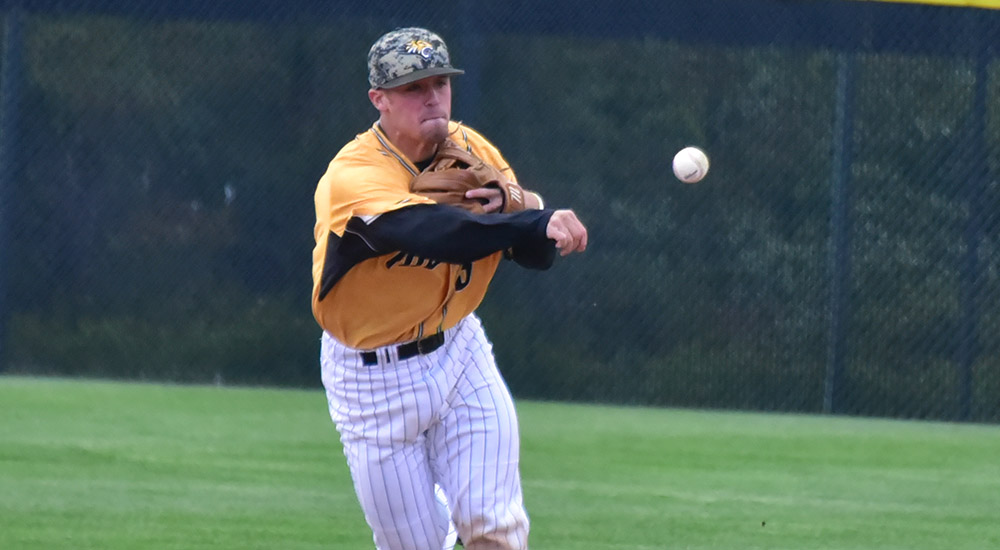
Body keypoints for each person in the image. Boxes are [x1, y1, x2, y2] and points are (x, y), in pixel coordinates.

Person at [310, 27, 588, 550]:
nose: (432, 97)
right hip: (372, 382)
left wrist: (527, 212)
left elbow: (532, 254)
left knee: (495, 530)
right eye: (414, 87)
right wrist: (527, 221)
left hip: (460, 355)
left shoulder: (469, 148)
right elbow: (436, 234)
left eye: (440, 83)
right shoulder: (353, 174)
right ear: (380, 100)